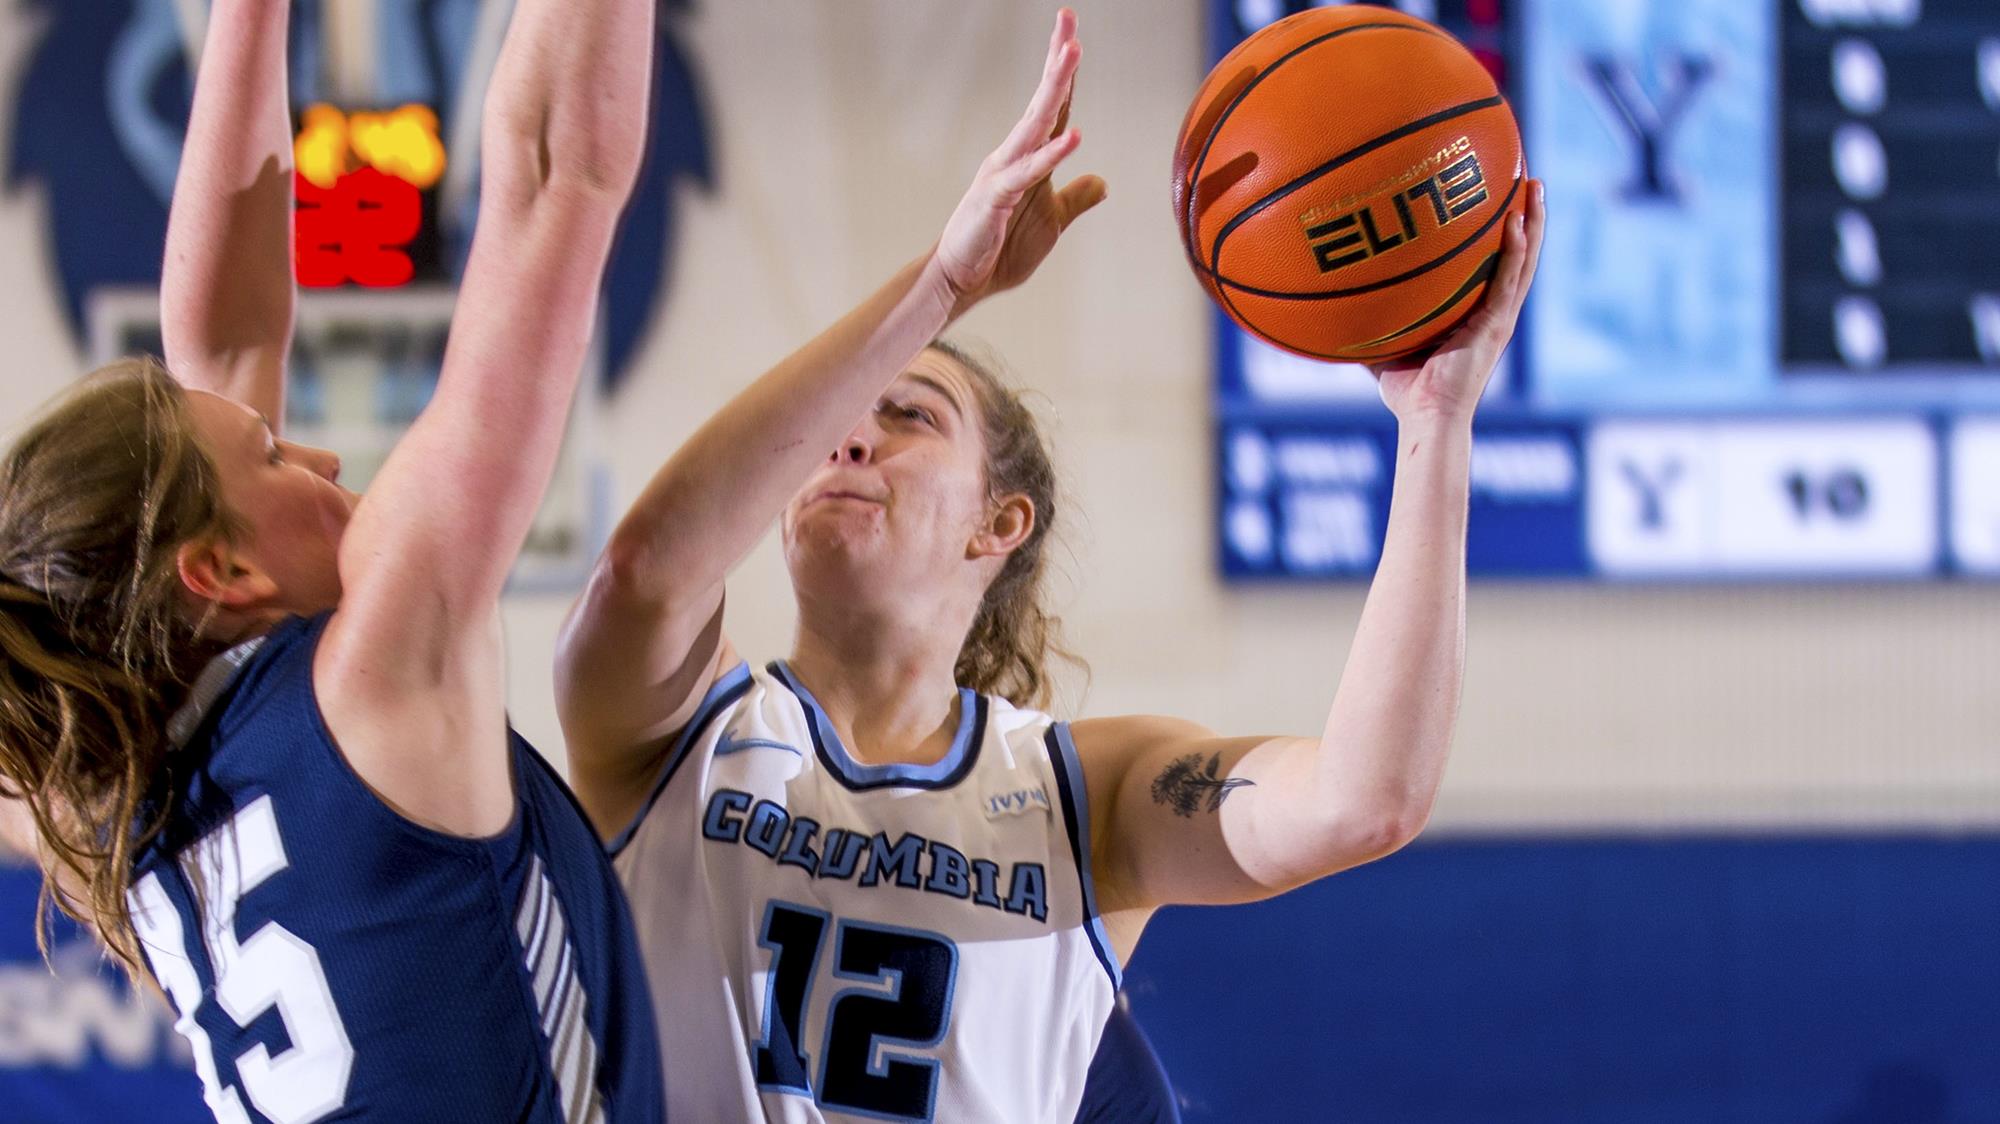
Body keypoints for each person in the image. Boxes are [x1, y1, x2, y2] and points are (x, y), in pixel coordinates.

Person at [557, 8, 1546, 1120]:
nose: (847, 436)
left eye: (907, 416)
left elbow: (1365, 797)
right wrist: (940, 284)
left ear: (999, 524)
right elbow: (642, 567)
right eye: (841, 413)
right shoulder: (671, 732)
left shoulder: (1086, 800)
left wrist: (1436, 422)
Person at [0, 0, 663, 1120]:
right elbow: (556, 178)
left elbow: (224, 342)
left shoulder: (127, 808)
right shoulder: (370, 677)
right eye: (274, 454)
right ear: (219, 574)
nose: (319, 451)